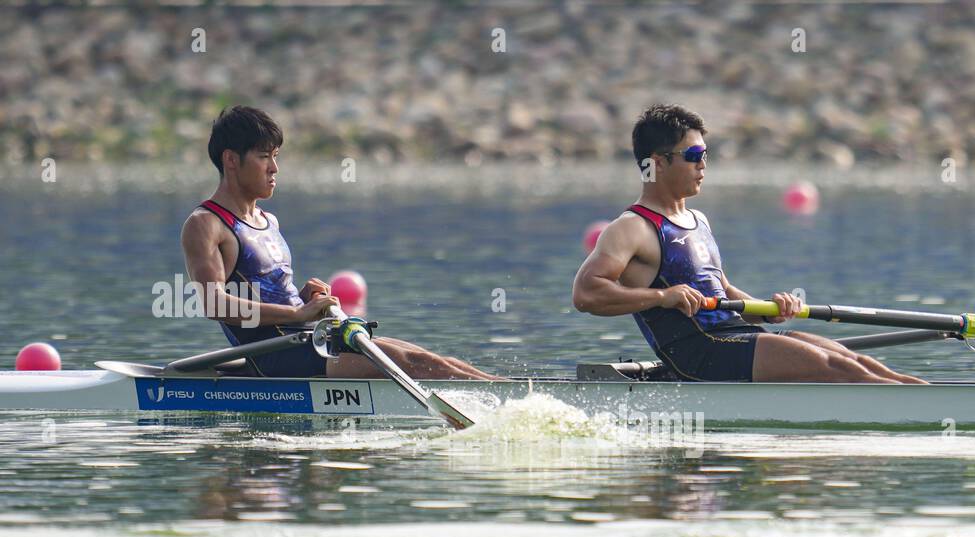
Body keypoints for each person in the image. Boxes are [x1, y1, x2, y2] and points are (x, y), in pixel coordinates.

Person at [572, 104, 925, 384]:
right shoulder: (632, 228)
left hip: (737, 335)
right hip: (700, 353)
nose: (703, 165)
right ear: (658, 163)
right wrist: (662, 296)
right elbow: (587, 294)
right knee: (839, 368)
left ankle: (929, 401)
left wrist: (767, 308)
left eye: (706, 154)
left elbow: (722, 290)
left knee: (858, 363)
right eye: (693, 156)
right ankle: (925, 415)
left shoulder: (699, 220)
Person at [180, 106, 497, 380]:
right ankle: (505, 404)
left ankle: (512, 393)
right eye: (264, 157)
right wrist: (299, 314)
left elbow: (267, 292)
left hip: (310, 342)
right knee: (409, 363)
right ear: (232, 160)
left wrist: (303, 300)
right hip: (276, 359)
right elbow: (214, 303)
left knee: (427, 359)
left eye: (276, 157)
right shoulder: (205, 224)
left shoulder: (269, 220)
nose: (274, 169)